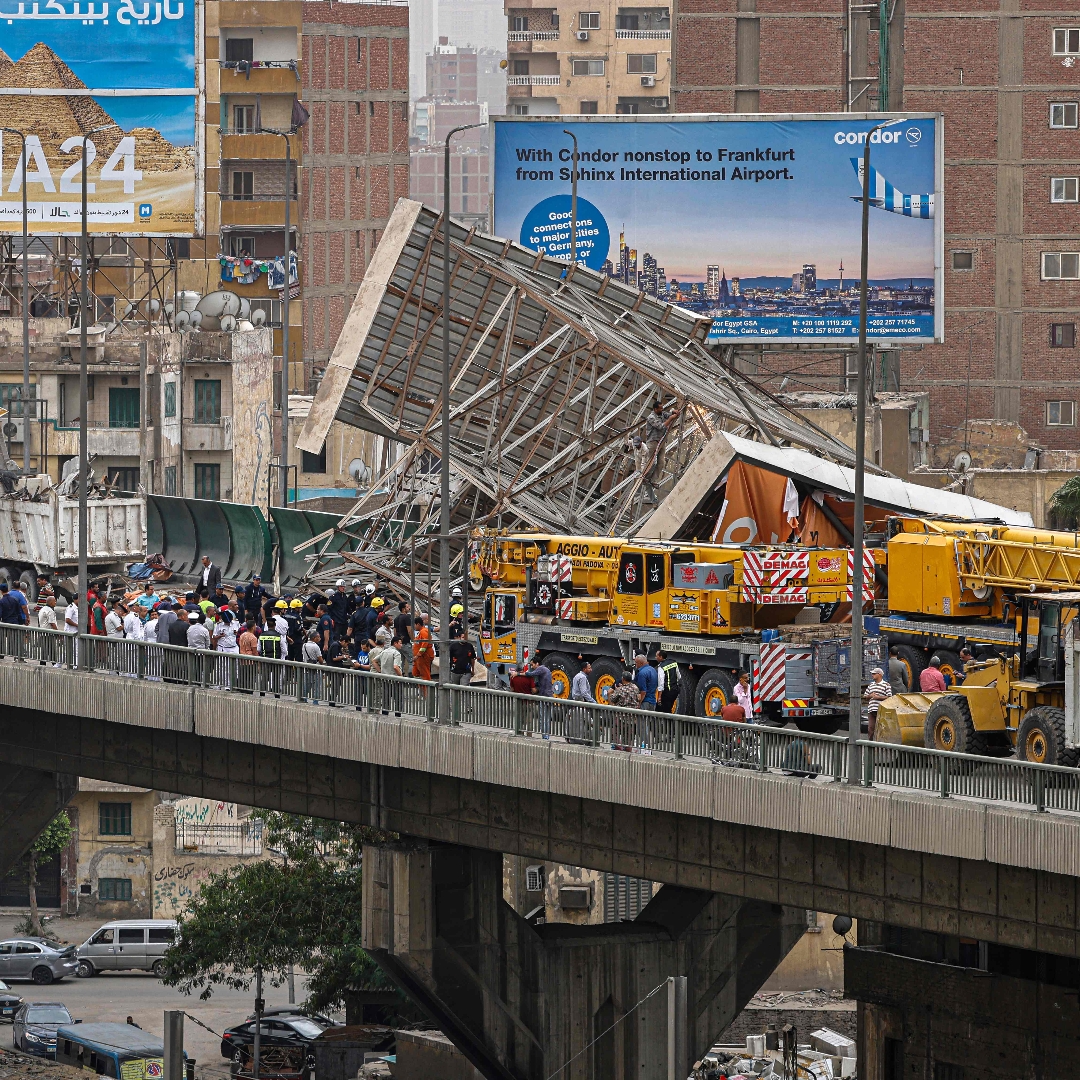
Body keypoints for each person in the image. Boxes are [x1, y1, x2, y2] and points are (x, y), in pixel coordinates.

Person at [642, 399, 675, 502]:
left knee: (661, 462)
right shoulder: (651, 417)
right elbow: (660, 427)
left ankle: (652, 480)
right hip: (652, 442)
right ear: (655, 409)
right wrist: (671, 418)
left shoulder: (661, 414)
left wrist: (673, 412)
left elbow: (668, 414)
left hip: (661, 442)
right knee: (651, 462)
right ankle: (645, 478)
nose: (662, 410)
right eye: (660, 408)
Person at [608, 671, 641, 751]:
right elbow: (639, 698)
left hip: (620, 716)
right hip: (632, 717)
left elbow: (612, 698)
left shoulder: (621, 689)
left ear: (623, 679)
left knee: (615, 733)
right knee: (628, 736)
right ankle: (628, 750)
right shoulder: (635, 688)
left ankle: (618, 748)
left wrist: (616, 690)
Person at [863, 666, 893, 741]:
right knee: (870, 728)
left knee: (881, 729)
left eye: (874, 674)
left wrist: (878, 697)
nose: (872, 675)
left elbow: (889, 697)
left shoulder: (886, 685)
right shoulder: (871, 685)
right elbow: (865, 696)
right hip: (871, 710)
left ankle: (881, 744)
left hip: (881, 710)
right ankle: (870, 745)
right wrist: (870, 696)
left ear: (879, 674)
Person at [529, 656, 553, 737]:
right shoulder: (546, 670)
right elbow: (541, 683)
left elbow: (530, 674)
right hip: (549, 696)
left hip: (544, 697)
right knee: (547, 718)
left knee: (543, 718)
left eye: (532, 665)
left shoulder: (541, 669)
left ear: (537, 664)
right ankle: (546, 735)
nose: (532, 667)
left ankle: (545, 736)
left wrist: (518, 674)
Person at [656, 649, 680, 714]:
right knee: (669, 708)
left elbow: (661, 683)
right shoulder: (673, 662)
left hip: (667, 692)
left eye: (657, 656)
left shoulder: (661, 667)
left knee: (664, 710)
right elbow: (679, 676)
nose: (656, 658)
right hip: (675, 690)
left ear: (661, 657)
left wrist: (659, 697)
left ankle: (667, 723)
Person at [411, 614, 433, 681]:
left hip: (423, 657)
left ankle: (426, 690)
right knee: (417, 673)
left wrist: (418, 655)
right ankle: (422, 689)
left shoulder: (424, 632)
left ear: (418, 624)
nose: (414, 627)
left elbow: (424, 645)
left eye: (414, 625)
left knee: (425, 674)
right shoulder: (421, 632)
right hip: (420, 658)